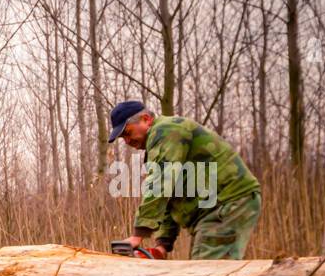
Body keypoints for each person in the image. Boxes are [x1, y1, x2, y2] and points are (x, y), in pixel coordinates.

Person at [109, 99, 262, 260]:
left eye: (127, 133)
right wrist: (162, 245)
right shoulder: (161, 144)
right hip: (215, 209)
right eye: (122, 138)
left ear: (146, 119)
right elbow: (170, 196)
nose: (127, 141)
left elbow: (161, 184)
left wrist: (139, 234)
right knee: (202, 270)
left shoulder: (166, 130)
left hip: (228, 203)